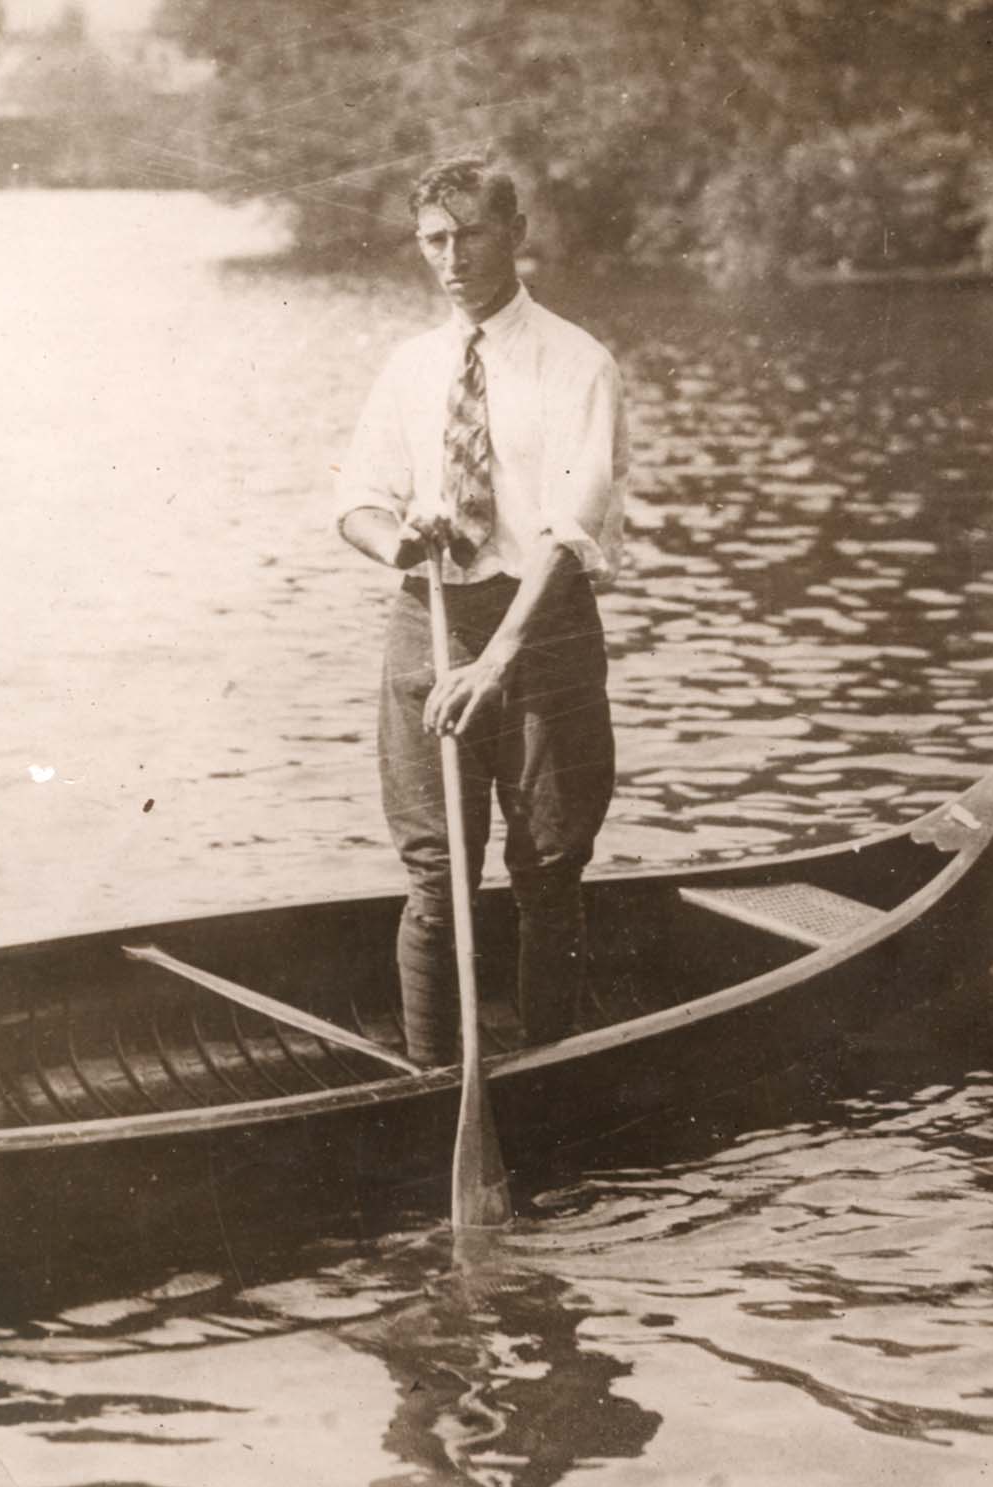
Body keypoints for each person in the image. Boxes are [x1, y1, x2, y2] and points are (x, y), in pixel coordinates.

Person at [336, 155, 627, 1066]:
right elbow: (355, 501)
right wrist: (403, 540)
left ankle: (550, 1068)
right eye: (434, 239)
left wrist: (496, 660)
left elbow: (567, 532)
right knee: (435, 875)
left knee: (544, 869)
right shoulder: (412, 366)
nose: (451, 257)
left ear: (516, 235)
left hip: (541, 633)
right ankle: (431, 1083)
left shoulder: (578, 363)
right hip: (430, 619)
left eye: (470, 234)